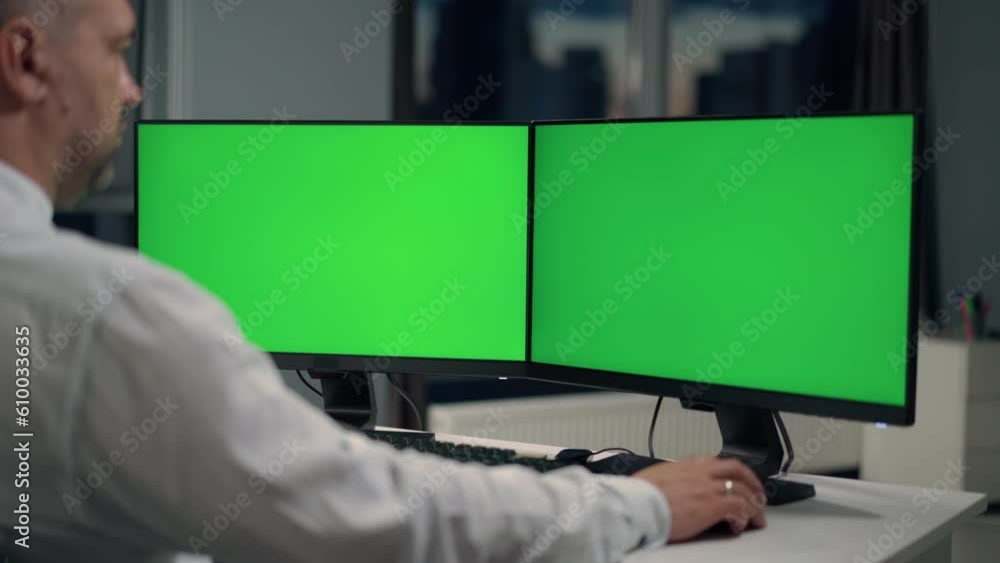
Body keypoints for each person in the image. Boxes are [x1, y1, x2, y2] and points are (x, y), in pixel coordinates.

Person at [0, 1, 765, 561]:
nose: (132, 88)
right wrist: (641, 503)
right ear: (26, 58)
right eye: (116, 50)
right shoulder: (100, 313)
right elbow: (367, 519)